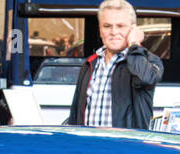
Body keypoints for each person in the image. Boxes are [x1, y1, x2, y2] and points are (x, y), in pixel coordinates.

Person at [68, 0, 163, 130]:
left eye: (120, 26)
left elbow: (145, 79)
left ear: (133, 29)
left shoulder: (149, 61)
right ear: (100, 30)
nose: (113, 32)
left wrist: (134, 43)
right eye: (107, 26)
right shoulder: (90, 63)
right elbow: (75, 114)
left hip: (126, 147)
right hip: (89, 146)